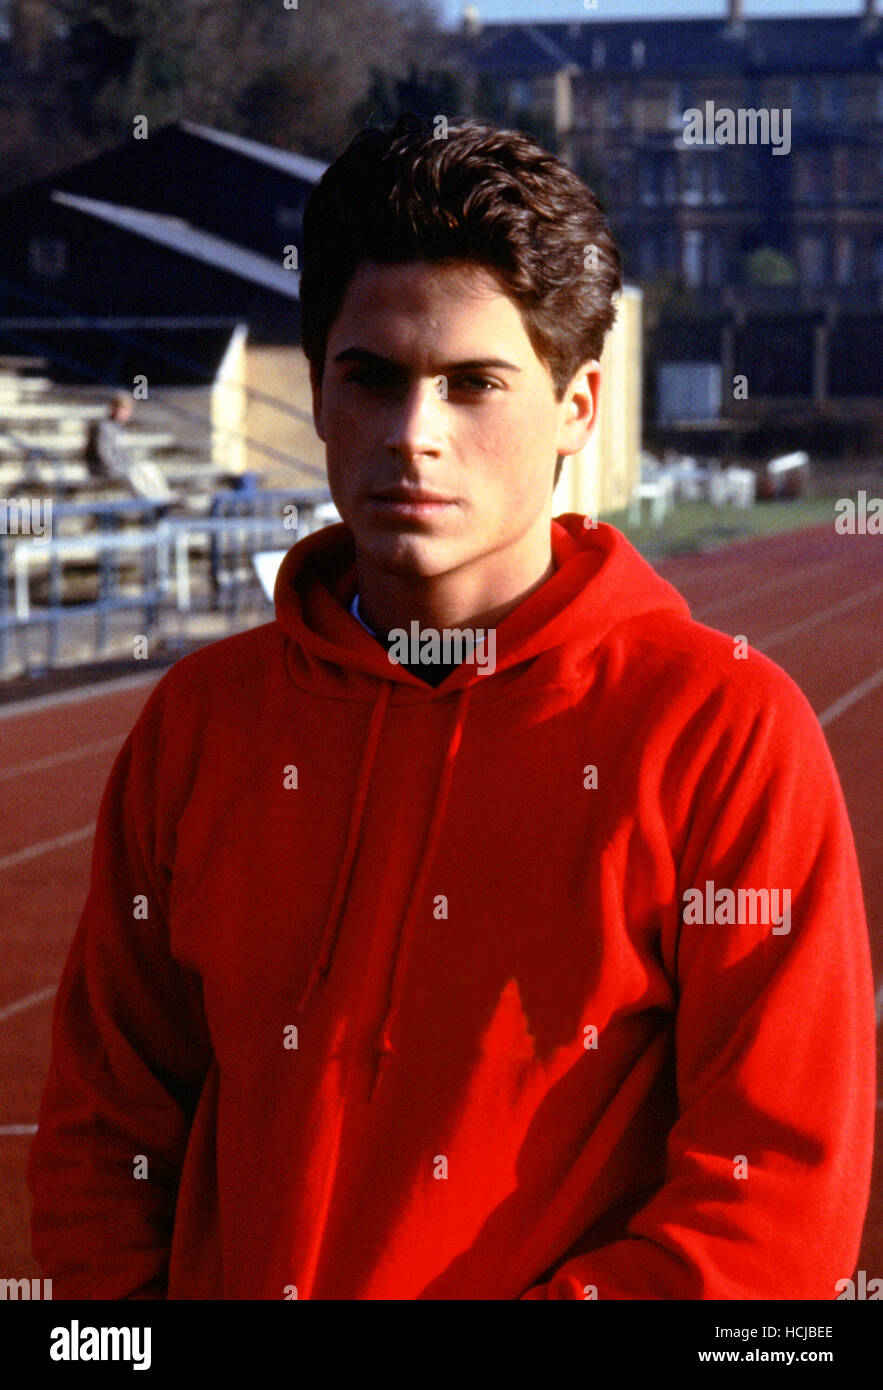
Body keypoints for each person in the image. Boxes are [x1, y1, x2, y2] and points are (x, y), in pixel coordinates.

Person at [28, 115, 875, 1300]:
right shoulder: (202, 725)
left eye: (472, 384)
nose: (411, 436)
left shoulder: (722, 731)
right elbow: (103, 1137)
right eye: (369, 376)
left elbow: (772, 1204)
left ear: (577, 408)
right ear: (321, 394)